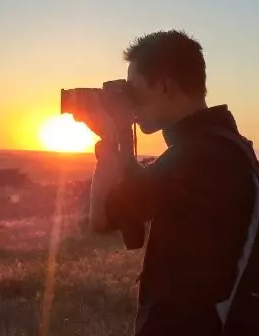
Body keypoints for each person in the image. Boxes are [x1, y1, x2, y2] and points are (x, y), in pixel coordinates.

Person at [83, 30, 257, 335]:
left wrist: (109, 141)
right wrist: (122, 133)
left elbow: (102, 217)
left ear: (164, 86)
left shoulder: (198, 156)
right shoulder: (223, 146)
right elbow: (134, 223)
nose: (130, 104)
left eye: (134, 93)